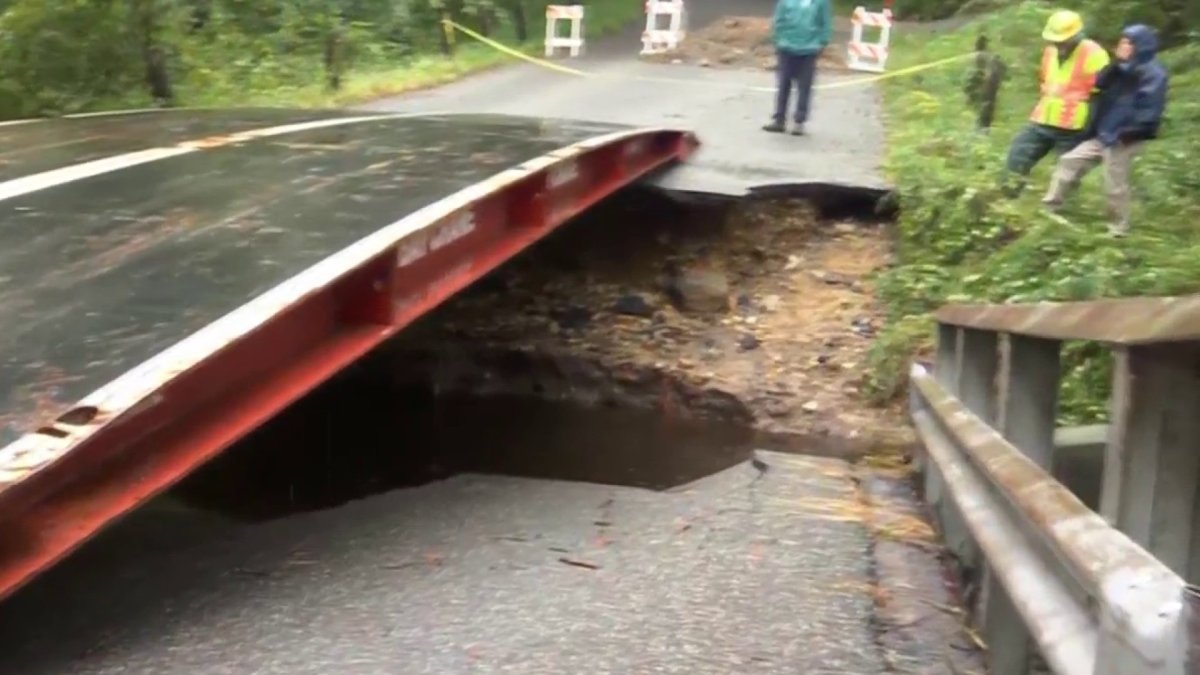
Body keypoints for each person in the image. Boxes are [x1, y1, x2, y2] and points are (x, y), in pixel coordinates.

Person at [1042, 24, 1168, 236]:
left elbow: (1150, 109)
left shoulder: (1154, 73)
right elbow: (1099, 83)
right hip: (1104, 131)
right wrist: (1117, 63)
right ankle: (1050, 206)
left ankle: (1118, 228)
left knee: (1114, 183)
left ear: (1141, 45)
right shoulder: (1121, 67)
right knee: (1070, 161)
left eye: (1128, 42)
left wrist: (1128, 133)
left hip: (1125, 137)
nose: (1122, 45)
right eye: (1122, 41)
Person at [1003, 10, 1109, 191]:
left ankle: (1059, 211)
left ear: (1076, 35)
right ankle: (1006, 200)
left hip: (1074, 128)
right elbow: (1047, 83)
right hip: (1043, 120)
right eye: (1055, 40)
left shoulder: (1094, 54)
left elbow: (1102, 95)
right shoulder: (1050, 51)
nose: (1059, 44)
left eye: (1063, 40)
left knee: (1066, 177)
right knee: (1017, 156)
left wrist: (1091, 129)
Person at [763, 0, 832, 136]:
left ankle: (799, 122)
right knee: (783, 85)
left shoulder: (821, 2)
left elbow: (825, 23)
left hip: (809, 49)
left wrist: (822, 42)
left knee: (804, 86)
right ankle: (779, 120)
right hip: (787, 47)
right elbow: (779, 20)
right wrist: (778, 39)